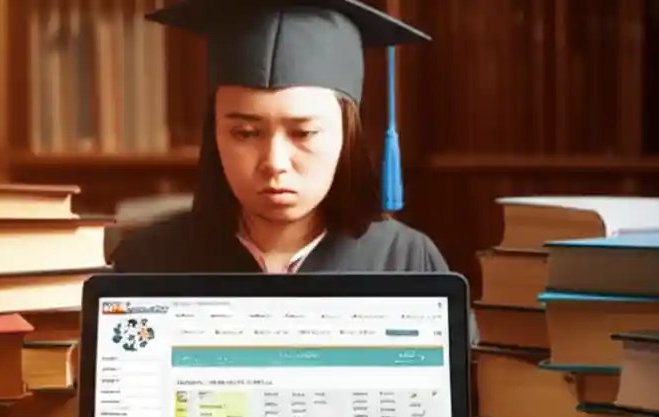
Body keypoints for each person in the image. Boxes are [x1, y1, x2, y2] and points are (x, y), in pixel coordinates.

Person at [110, 0, 455, 276]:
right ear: (213, 133)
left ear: (346, 136)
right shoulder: (149, 263)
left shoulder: (405, 262)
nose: (274, 162)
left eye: (303, 133)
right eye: (245, 133)